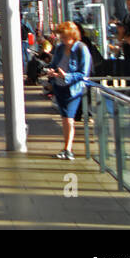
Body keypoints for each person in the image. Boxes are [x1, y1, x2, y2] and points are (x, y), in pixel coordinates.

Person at [45, 21, 93, 160]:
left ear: (72, 35)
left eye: (64, 36)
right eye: (61, 37)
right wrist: (51, 71)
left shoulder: (81, 49)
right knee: (65, 118)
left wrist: (66, 76)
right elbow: (54, 64)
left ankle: (68, 148)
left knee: (68, 118)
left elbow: (84, 73)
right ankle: (67, 147)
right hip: (59, 86)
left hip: (73, 89)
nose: (62, 39)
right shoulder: (60, 48)